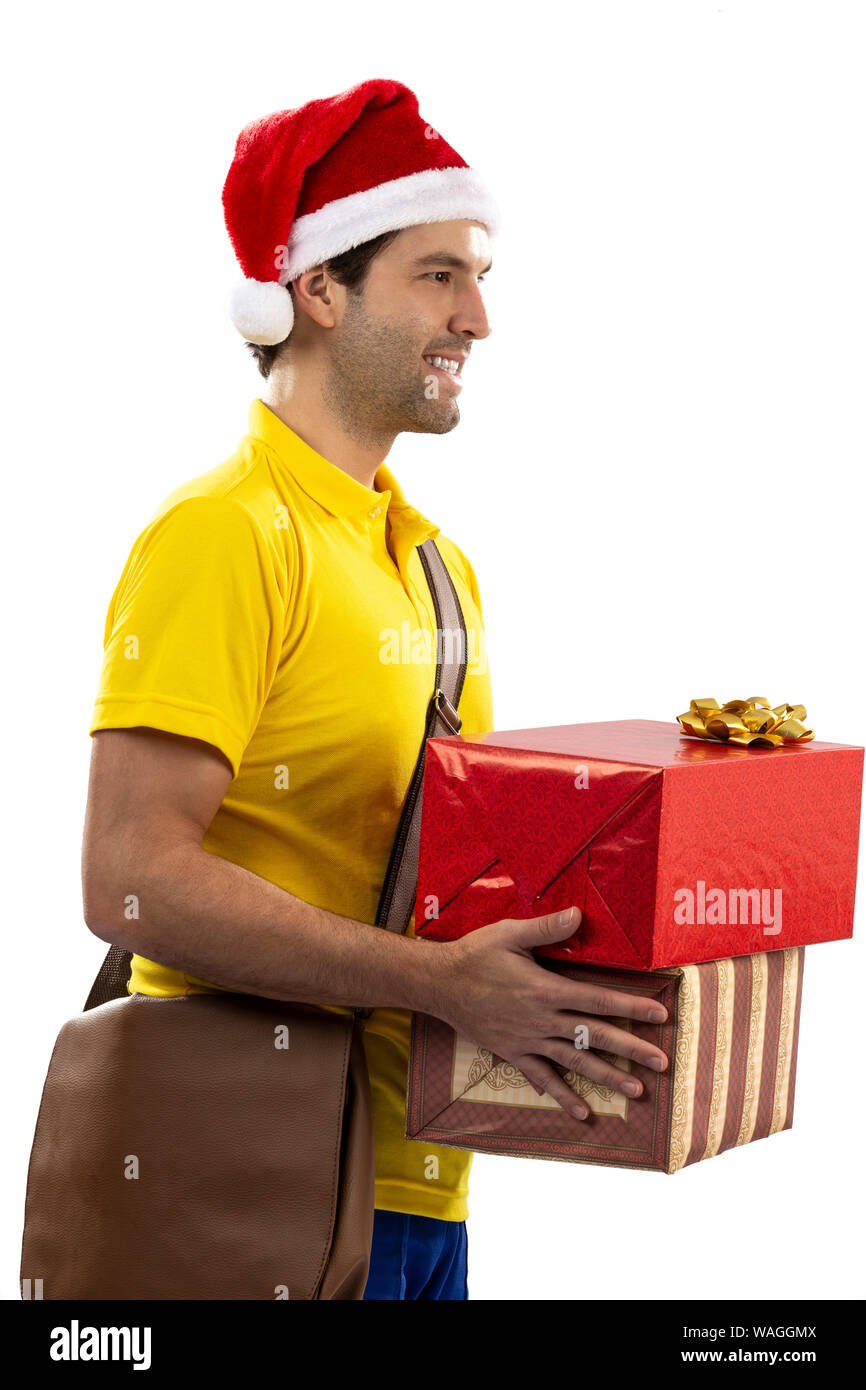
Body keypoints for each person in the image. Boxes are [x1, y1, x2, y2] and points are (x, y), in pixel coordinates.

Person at [82, 78, 668, 1302]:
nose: (478, 320)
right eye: (437, 273)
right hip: (246, 1171)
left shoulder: (436, 568)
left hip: (421, 1173)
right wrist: (436, 984)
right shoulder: (224, 534)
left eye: (480, 277)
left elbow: (438, 880)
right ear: (318, 290)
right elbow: (128, 874)